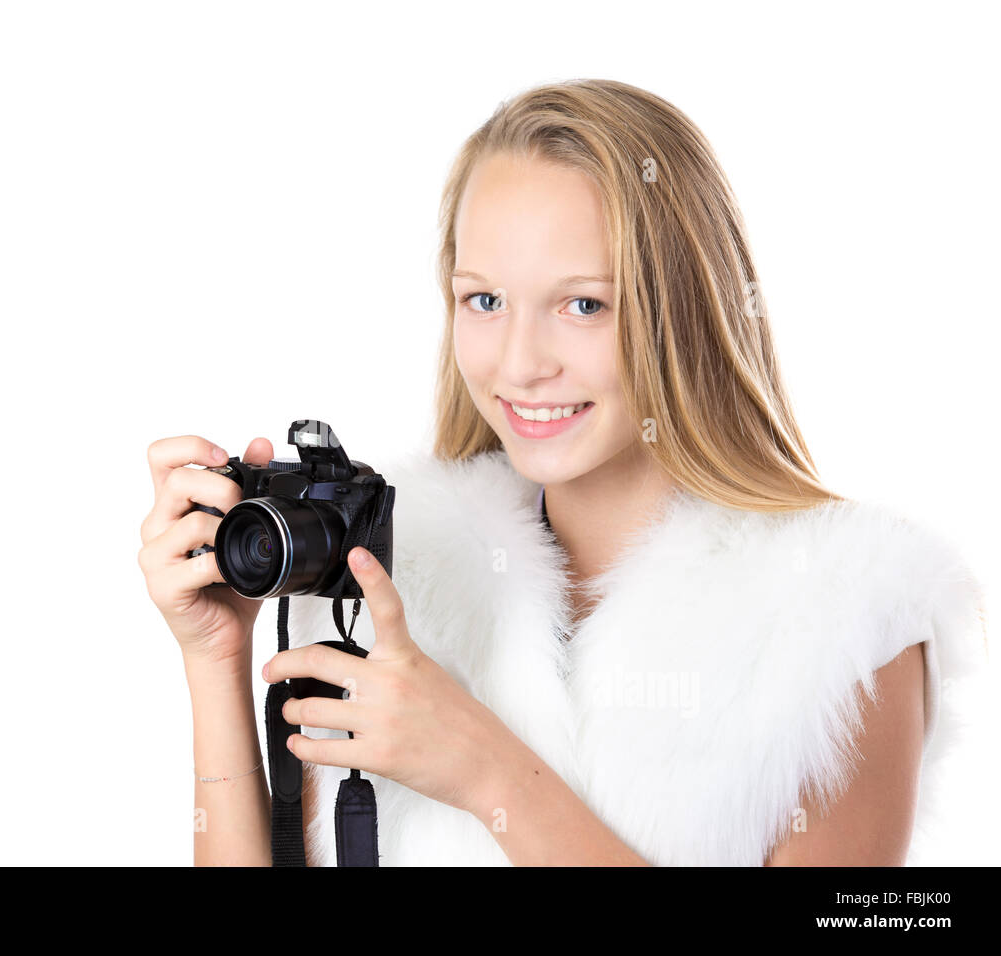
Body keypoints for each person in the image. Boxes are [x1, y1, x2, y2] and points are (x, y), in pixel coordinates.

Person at [138, 78, 987, 866]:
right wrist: (215, 663)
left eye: (584, 304)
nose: (520, 362)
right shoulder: (398, 572)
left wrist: (488, 769)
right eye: (485, 300)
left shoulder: (847, 617)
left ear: (681, 309)